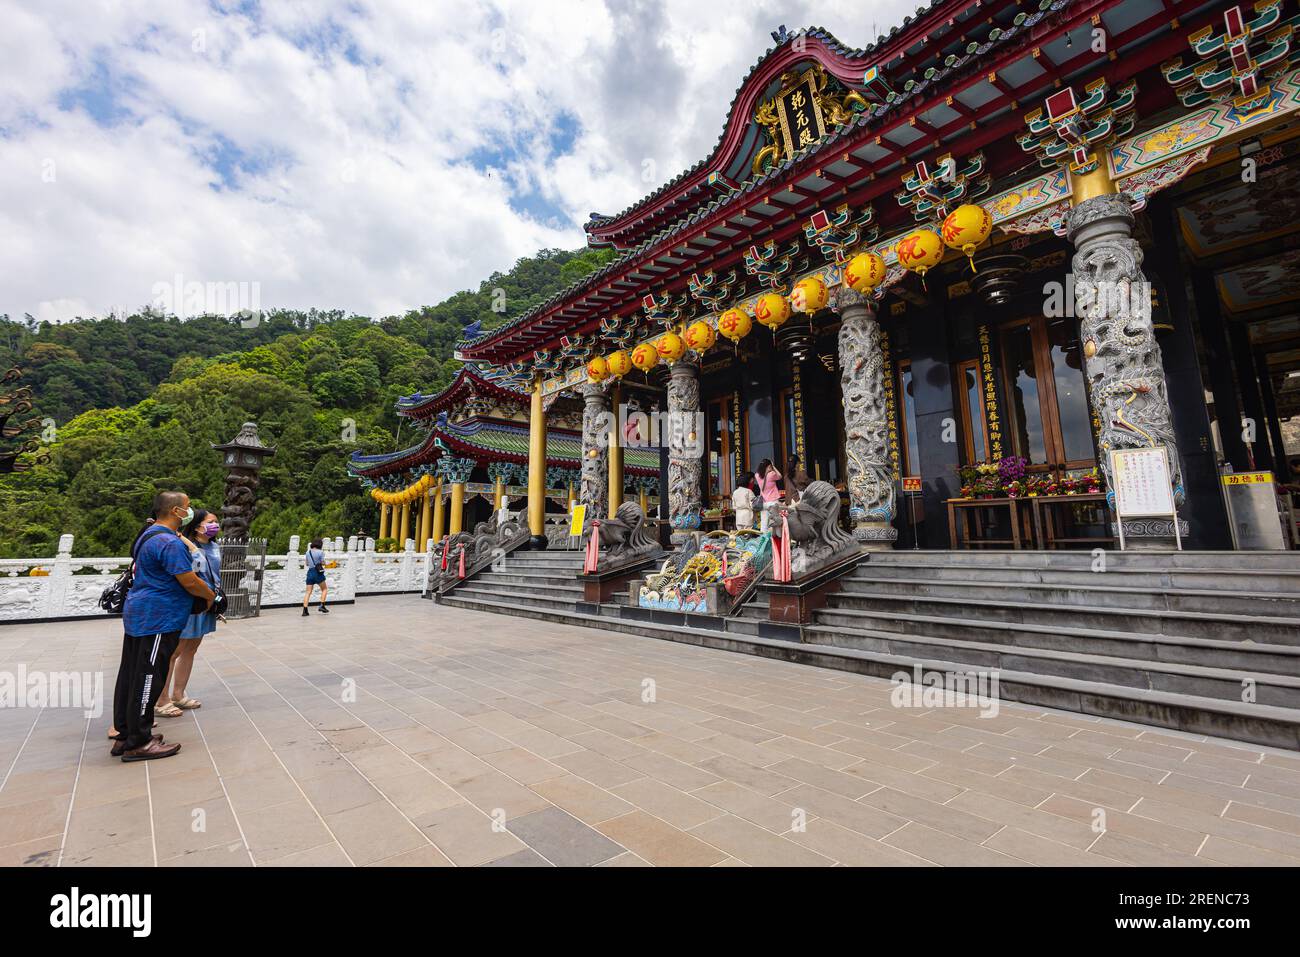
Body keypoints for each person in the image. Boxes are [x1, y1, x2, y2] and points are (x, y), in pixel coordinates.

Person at [110, 491, 215, 762]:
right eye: (187, 508)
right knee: (148, 676)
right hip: (158, 616)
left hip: (140, 613)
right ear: (177, 512)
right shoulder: (169, 543)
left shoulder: (146, 534)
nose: (190, 512)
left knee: (131, 674)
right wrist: (210, 595)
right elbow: (188, 580)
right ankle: (140, 741)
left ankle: (125, 734)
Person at [157, 508, 222, 718]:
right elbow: (192, 570)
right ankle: (161, 699)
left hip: (207, 602)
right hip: (190, 601)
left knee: (191, 649)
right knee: (175, 651)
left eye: (216, 522)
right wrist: (190, 544)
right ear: (196, 525)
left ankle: (178, 693)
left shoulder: (214, 546)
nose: (215, 526)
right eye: (211, 521)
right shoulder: (182, 544)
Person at [303, 537, 329, 615]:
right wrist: (323, 563)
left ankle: (305, 610)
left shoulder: (308, 552)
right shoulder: (321, 552)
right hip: (317, 572)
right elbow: (323, 562)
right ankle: (322, 605)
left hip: (310, 572)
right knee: (324, 589)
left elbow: (307, 564)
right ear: (320, 544)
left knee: (308, 592)